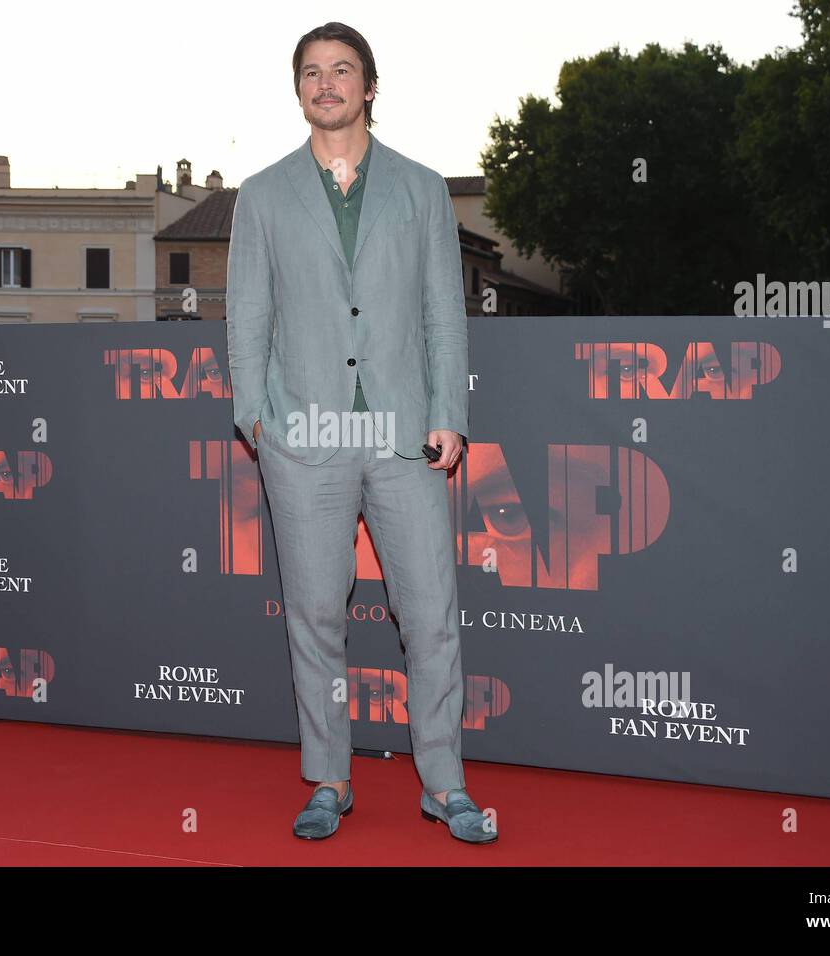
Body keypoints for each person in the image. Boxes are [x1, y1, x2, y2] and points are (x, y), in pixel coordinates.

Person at [224, 22, 496, 845]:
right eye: (312, 72)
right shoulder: (263, 195)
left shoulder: (419, 189)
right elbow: (248, 316)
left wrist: (449, 411)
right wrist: (256, 419)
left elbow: (443, 313)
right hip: (302, 435)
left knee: (431, 612)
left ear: (369, 86)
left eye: (343, 70)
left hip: (405, 432)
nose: (327, 83)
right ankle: (329, 779)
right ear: (299, 89)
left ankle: (443, 782)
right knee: (313, 611)